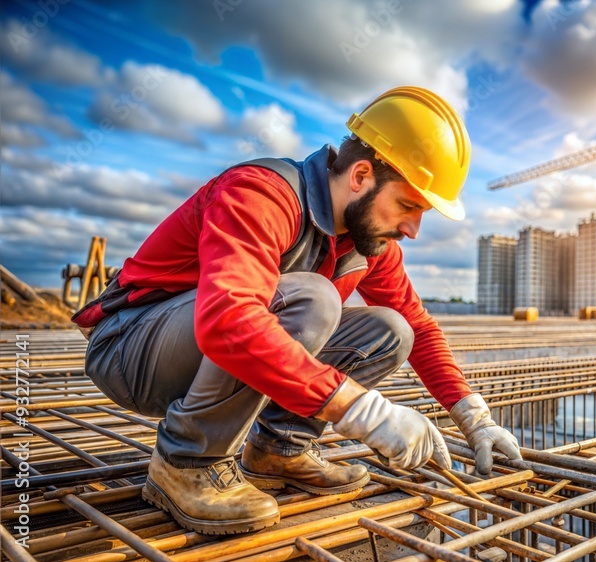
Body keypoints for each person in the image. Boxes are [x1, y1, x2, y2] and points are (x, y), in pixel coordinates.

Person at [72, 86, 521, 535]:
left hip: (194, 346)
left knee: (392, 329)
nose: (413, 229)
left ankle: (278, 451)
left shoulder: (369, 242)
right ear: (361, 176)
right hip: (128, 350)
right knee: (313, 298)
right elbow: (229, 319)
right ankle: (187, 461)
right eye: (408, 205)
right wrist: (362, 410)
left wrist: (473, 416)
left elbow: (419, 327)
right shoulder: (261, 194)